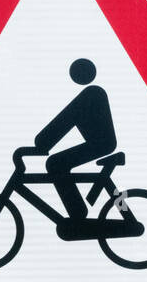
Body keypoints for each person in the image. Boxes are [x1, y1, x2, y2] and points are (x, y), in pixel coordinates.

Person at [25, 59, 140, 239]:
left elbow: (66, 119)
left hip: (101, 143)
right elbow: (66, 120)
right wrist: (43, 144)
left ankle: (78, 215)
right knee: (56, 164)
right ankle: (79, 212)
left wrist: (42, 143)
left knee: (55, 164)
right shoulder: (92, 93)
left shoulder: (92, 94)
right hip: (100, 143)